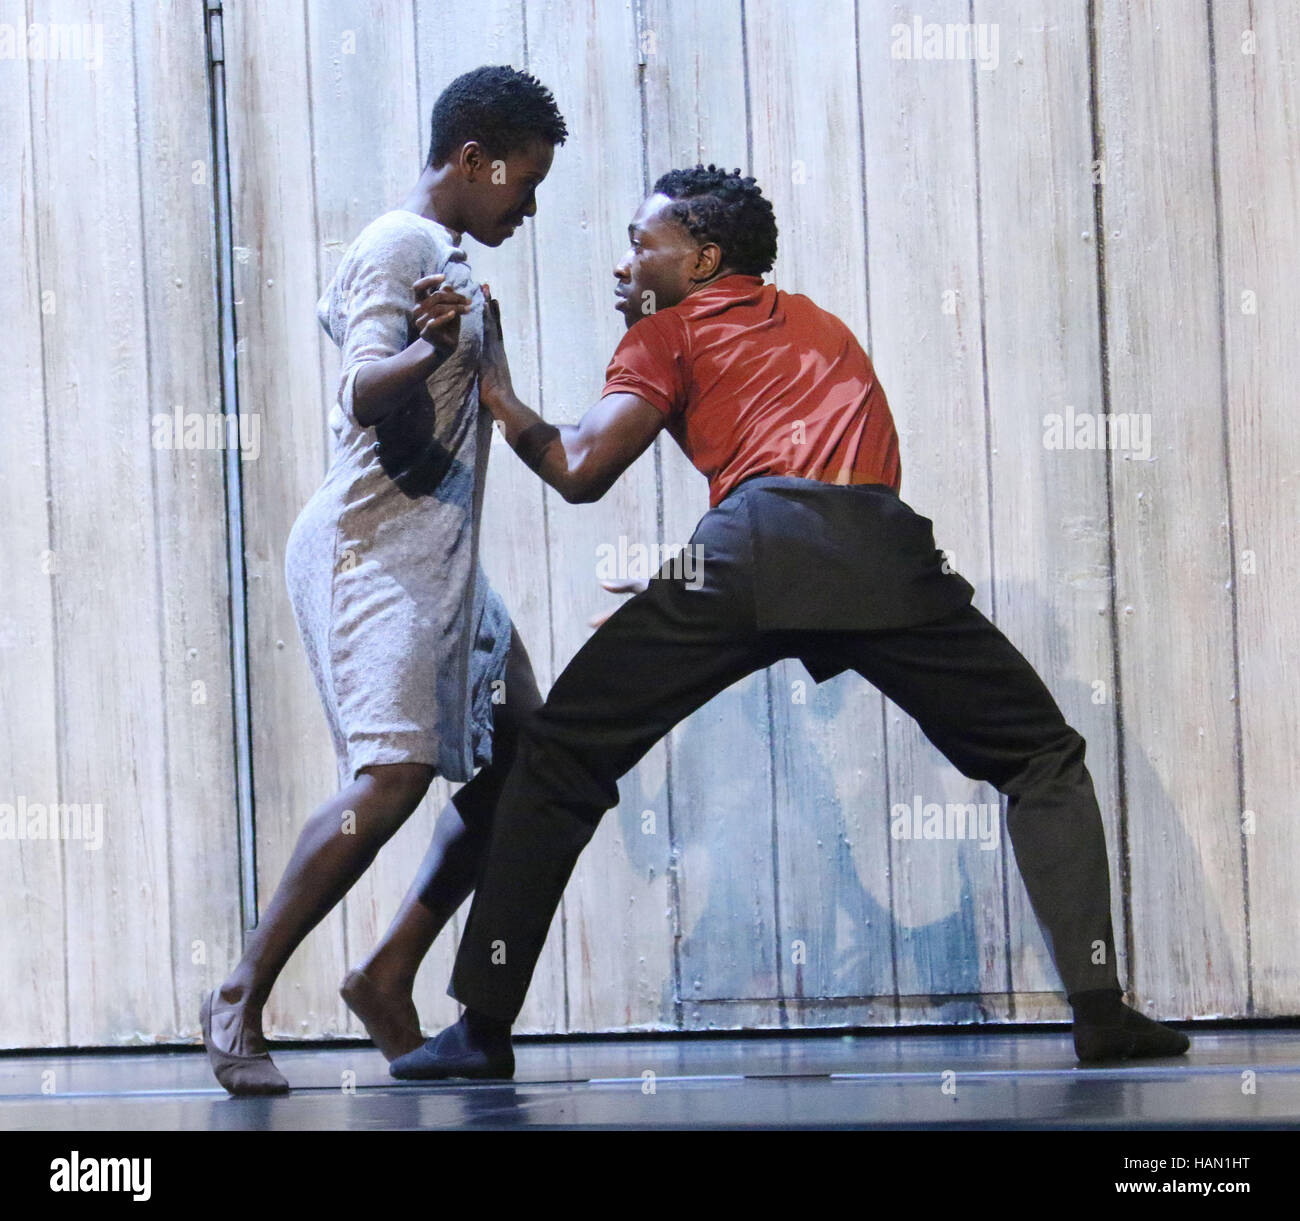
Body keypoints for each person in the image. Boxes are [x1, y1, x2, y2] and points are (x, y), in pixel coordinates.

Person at [389, 165, 1192, 1080]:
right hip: (883, 549)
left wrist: (494, 385)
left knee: (561, 753)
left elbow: (580, 468)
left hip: (753, 547)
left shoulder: (669, 331)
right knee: (1041, 757)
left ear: (702, 259)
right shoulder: (818, 324)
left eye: (639, 244)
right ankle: (1100, 1009)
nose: (623, 264)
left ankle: (481, 1029)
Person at [199, 66, 567, 1096]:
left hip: (443, 554)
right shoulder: (399, 243)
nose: (528, 207)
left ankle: (388, 972)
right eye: (522, 183)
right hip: (377, 550)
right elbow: (365, 389)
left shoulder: (442, 257)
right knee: (392, 781)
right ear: (472, 159)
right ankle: (239, 993)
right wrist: (429, 343)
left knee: (523, 766)